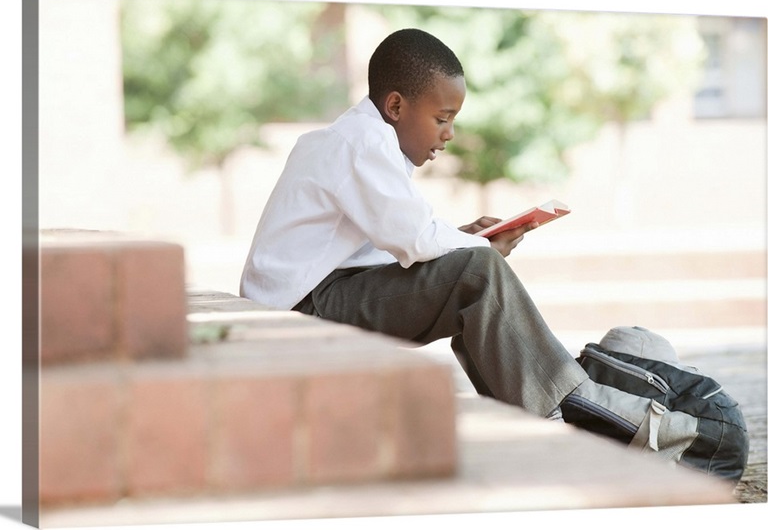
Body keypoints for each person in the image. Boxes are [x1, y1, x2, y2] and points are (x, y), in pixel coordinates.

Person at [240, 27, 594, 419]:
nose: (450, 133)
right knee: (477, 273)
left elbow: (395, 240)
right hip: (299, 311)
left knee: (470, 274)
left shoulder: (356, 139)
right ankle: (566, 405)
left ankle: (539, 406)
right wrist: (479, 247)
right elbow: (418, 242)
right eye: (442, 118)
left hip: (316, 296)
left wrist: (462, 240)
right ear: (395, 106)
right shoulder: (362, 143)